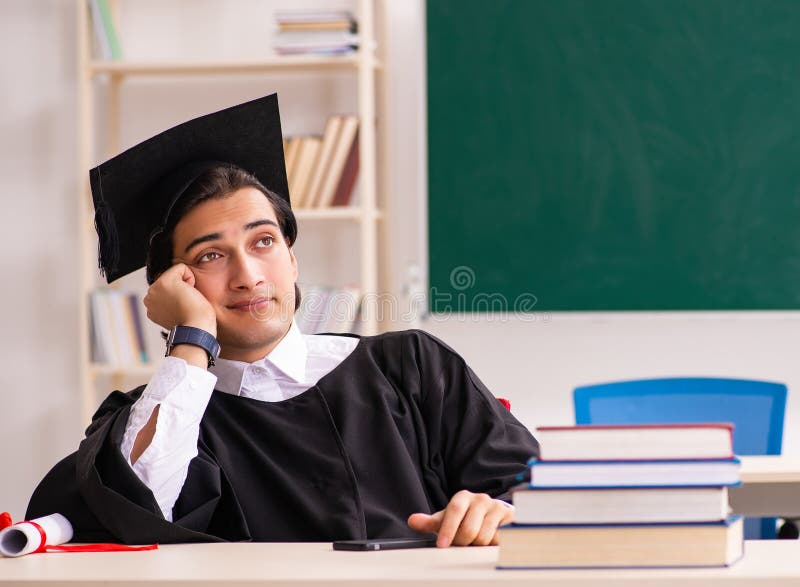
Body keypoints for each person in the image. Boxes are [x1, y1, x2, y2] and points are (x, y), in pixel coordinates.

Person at [27, 94, 540, 547]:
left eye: (263, 241)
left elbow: (535, 493)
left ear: (291, 259)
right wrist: (191, 339)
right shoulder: (161, 417)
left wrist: (501, 512)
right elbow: (140, 507)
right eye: (211, 256)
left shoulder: (411, 367)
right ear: (173, 286)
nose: (248, 276)